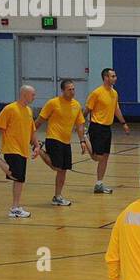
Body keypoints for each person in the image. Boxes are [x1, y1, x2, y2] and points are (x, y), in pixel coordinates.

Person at [36, 79, 91, 207]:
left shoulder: (76, 105)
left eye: (73, 89)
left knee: (64, 170)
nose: (72, 92)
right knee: (56, 167)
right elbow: (40, 120)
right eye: (69, 89)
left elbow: (80, 125)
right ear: (63, 90)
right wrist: (31, 135)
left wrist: (82, 140)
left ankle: (58, 196)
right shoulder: (53, 103)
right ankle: (39, 149)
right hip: (53, 138)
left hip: (66, 141)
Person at [0, 85, 38, 219]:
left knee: (20, 180)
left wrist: (37, 145)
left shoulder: (28, 110)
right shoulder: (9, 109)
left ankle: (15, 207)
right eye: (32, 94)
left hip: (23, 149)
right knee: (16, 175)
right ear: (24, 94)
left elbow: (32, 130)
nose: (34, 97)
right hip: (11, 148)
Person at [85, 67, 130, 194]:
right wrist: (80, 123)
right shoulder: (96, 93)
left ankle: (99, 183)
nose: (115, 78)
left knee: (105, 157)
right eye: (112, 76)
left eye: (115, 76)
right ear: (105, 77)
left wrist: (124, 123)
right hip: (96, 126)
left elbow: (116, 109)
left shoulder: (114, 93)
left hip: (107, 128)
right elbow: (87, 109)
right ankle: (84, 138)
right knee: (97, 157)